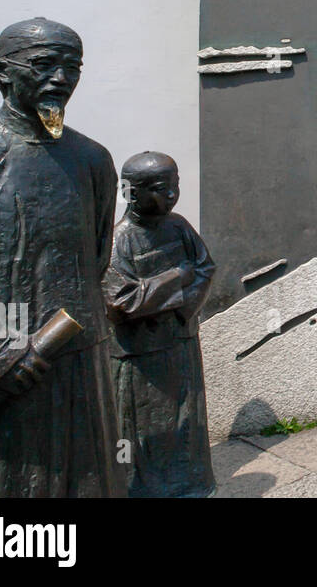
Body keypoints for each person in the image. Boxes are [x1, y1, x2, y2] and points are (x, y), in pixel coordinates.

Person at [0, 18, 124, 497]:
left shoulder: (93, 161)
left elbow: (94, 260)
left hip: (76, 363)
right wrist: (0, 357)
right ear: (1, 72)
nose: (60, 78)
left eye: (71, 67)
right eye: (43, 65)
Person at [104, 151, 216, 497]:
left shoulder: (179, 226)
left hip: (180, 342)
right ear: (131, 193)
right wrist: (174, 277)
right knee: (138, 434)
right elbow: (121, 301)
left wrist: (180, 306)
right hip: (138, 357)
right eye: (159, 188)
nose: (170, 195)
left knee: (187, 424)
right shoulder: (118, 240)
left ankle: (191, 486)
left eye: (174, 185)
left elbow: (205, 268)